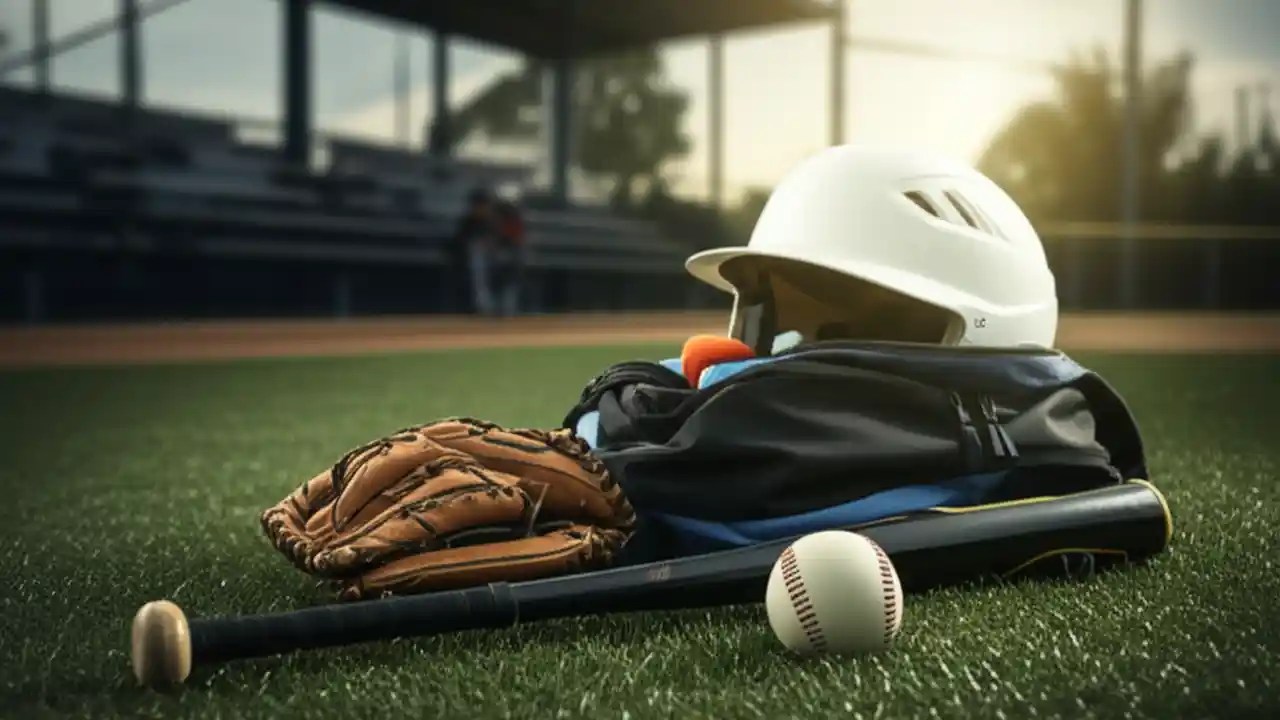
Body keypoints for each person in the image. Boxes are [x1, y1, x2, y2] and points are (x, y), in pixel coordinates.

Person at [451, 187, 498, 315]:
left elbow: (496, 241)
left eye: (483, 205)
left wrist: (488, 245)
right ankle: (480, 306)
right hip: (470, 259)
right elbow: (459, 241)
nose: (480, 208)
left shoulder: (491, 221)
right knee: (476, 264)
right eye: (478, 205)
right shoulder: (468, 221)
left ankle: (485, 307)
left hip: (489, 259)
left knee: (483, 278)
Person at [490, 198, 529, 317]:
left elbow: (518, 241)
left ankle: (508, 310)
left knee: (510, 284)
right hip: (501, 262)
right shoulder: (496, 224)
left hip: (512, 260)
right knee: (501, 284)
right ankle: (500, 310)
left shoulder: (514, 223)